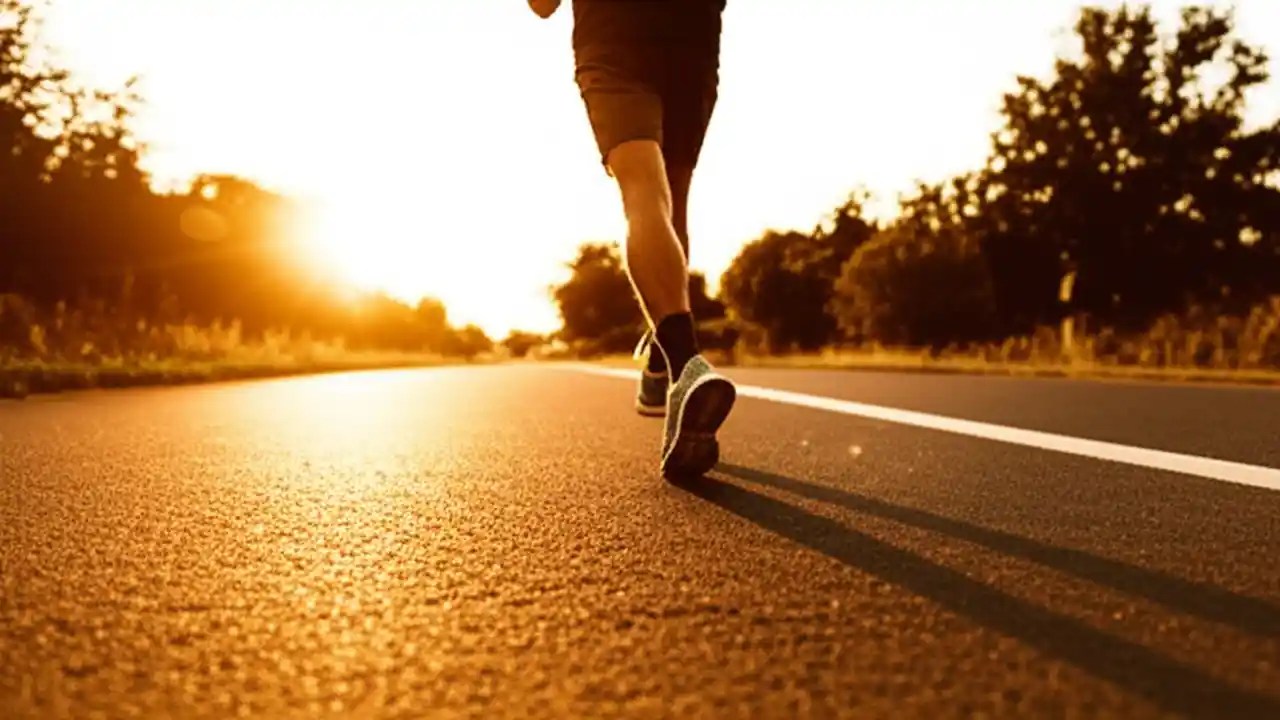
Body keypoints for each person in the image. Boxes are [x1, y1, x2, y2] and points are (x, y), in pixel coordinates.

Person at [529, 0, 735, 479]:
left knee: (645, 191)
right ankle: (663, 361)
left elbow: (542, 5)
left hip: (615, 34)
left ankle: (683, 362)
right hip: (693, 36)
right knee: (672, 202)